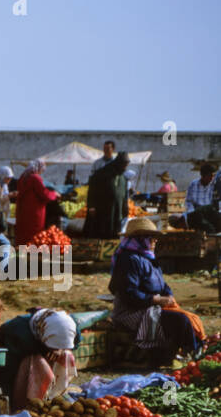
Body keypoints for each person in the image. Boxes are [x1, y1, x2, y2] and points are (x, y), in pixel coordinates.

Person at [109, 217, 203, 361]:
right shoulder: (128, 259)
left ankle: (192, 350)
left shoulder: (148, 258)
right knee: (180, 320)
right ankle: (189, 354)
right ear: (140, 238)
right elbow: (129, 293)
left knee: (191, 318)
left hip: (151, 306)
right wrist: (156, 299)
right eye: (152, 238)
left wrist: (169, 296)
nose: (155, 241)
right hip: (131, 311)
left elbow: (162, 284)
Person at [0, 307, 81, 411]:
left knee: (67, 355)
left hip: (40, 347)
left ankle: (54, 394)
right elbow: (6, 365)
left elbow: (75, 343)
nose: (57, 349)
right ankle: (27, 403)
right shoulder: (16, 330)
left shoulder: (70, 325)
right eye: (53, 346)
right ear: (44, 336)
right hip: (17, 362)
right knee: (35, 360)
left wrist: (61, 349)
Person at [14, 159, 59, 247]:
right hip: (34, 211)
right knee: (33, 233)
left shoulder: (23, 177)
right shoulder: (35, 178)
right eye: (42, 169)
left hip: (22, 209)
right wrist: (54, 194)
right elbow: (44, 193)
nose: (42, 172)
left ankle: (20, 251)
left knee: (23, 231)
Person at [84, 152, 130, 238]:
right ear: (119, 163)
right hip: (104, 210)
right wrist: (91, 205)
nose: (125, 168)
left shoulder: (123, 177)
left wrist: (125, 209)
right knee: (102, 231)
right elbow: (92, 189)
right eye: (124, 165)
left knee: (115, 232)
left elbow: (124, 195)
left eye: (126, 165)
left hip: (117, 210)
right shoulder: (102, 173)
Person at [184, 164, 219, 232]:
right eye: (210, 176)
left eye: (213, 176)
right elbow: (189, 202)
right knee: (200, 219)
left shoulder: (214, 185)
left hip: (209, 211)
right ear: (203, 175)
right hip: (197, 211)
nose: (212, 178)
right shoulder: (194, 184)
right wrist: (192, 212)